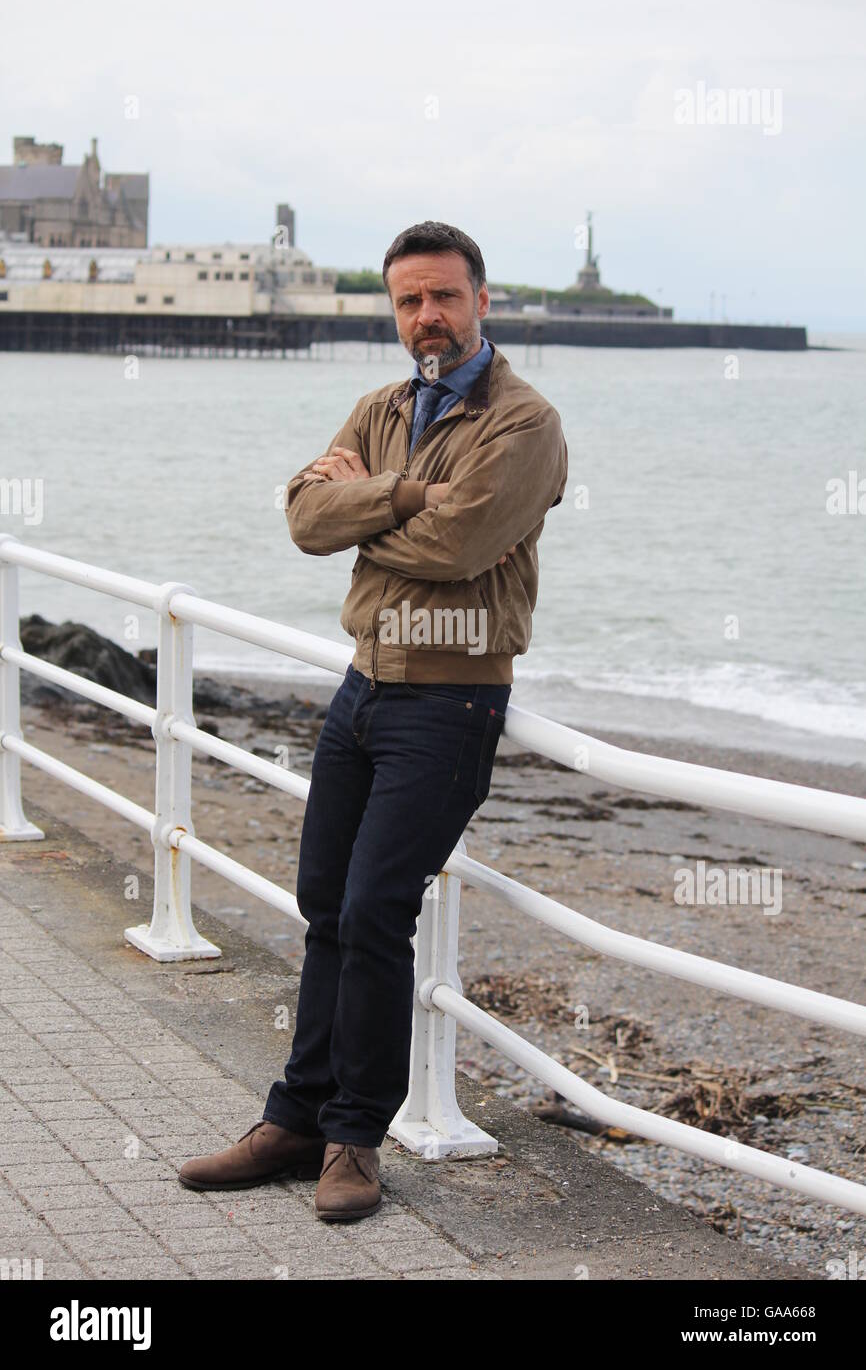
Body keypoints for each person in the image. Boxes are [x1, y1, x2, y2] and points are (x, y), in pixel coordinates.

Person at [178, 220, 568, 1221]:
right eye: (407, 301)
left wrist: (364, 501)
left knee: (373, 912)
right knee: (322, 907)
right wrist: (396, 491)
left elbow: (462, 540)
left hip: (449, 699)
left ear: (480, 300)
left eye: (442, 296)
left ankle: (355, 1136)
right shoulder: (381, 407)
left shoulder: (523, 424)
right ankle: (292, 1119)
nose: (425, 316)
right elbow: (304, 518)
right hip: (360, 686)